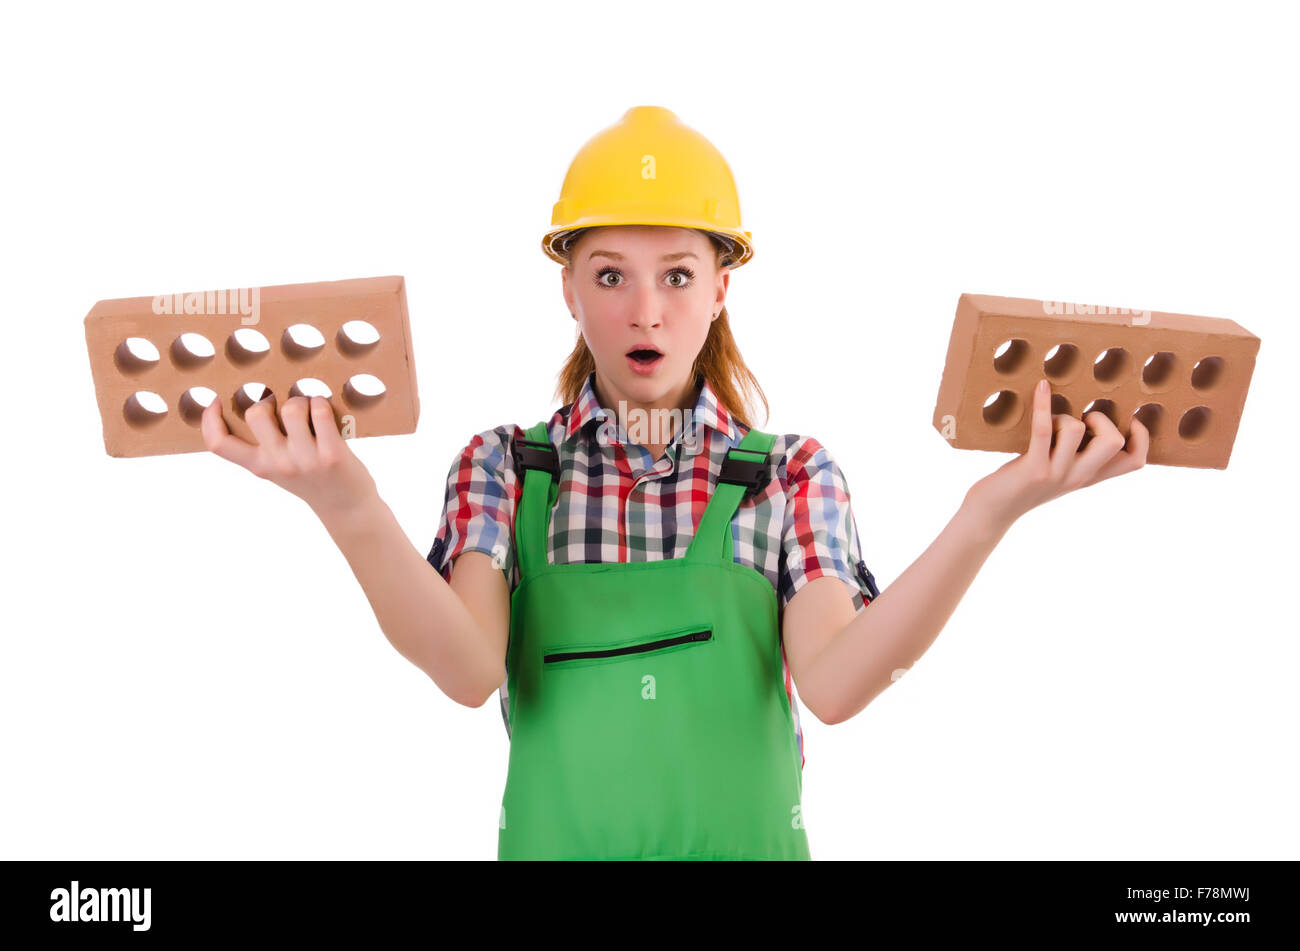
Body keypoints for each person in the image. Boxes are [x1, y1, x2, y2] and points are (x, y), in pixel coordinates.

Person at [199, 106, 1149, 861]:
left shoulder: (788, 475)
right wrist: (347, 504)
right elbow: (465, 670)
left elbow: (839, 683)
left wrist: (992, 511)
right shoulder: (505, 466)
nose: (644, 310)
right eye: (610, 275)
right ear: (567, 288)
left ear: (722, 288)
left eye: (679, 275)